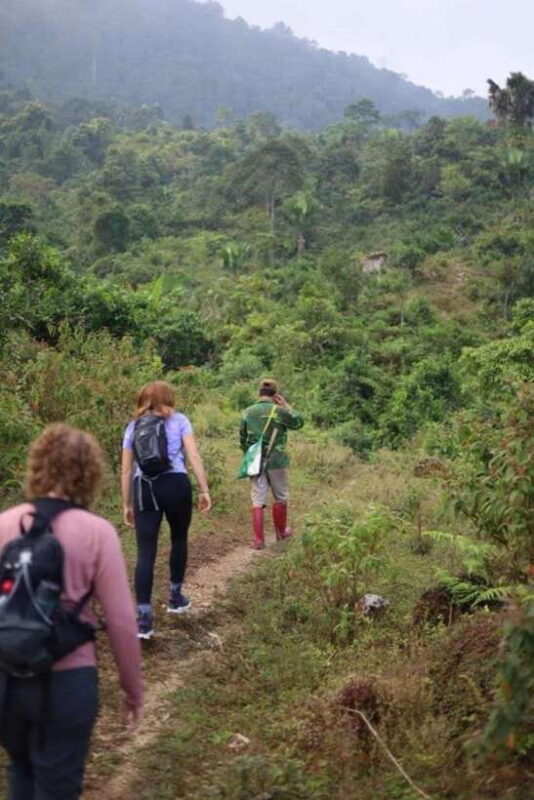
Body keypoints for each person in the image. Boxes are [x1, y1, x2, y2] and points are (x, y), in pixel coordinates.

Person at [0, 423, 143, 800]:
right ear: (90, 473)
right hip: (68, 680)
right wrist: (133, 689)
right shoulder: (97, 532)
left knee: (21, 769)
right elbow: (122, 621)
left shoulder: (5, 524)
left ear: (36, 467)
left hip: (8, 679)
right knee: (58, 784)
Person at [121, 380, 211, 639]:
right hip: (175, 484)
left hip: (144, 488)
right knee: (179, 539)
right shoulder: (180, 420)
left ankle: (144, 620)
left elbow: (127, 469)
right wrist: (204, 489)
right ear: (168, 398)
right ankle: (175, 597)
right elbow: (193, 456)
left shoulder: (133, 426)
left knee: (145, 552)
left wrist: (127, 503)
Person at [240, 379, 303, 550]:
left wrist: (250, 455)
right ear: (275, 395)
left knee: (257, 499)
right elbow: (298, 422)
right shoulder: (280, 411)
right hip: (277, 460)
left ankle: (259, 540)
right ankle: (281, 533)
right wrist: (286, 405)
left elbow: (242, 438)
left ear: (258, 393)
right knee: (280, 497)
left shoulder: (247, 412)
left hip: (256, 461)